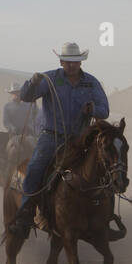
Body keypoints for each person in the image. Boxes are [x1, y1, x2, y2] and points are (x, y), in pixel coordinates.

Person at [7, 42, 110, 237]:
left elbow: (104, 109)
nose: (72, 65)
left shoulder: (91, 82)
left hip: (80, 139)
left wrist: (93, 109)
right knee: (35, 169)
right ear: (61, 61)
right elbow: (27, 97)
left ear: (80, 62)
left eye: (76, 61)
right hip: (51, 137)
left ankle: (106, 217)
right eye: (68, 62)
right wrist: (32, 82)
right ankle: (26, 215)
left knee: (105, 169)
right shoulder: (50, 79)